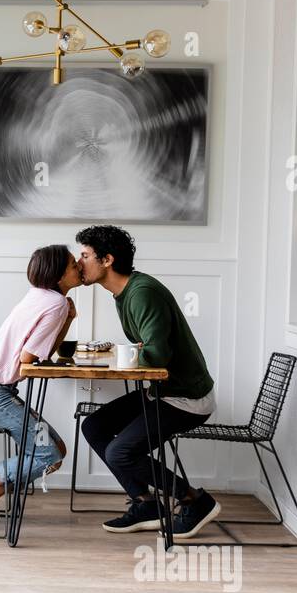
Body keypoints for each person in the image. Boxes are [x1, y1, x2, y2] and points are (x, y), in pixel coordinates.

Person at [74, 224, 222, 539]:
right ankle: (146, 503)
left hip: (185, 398)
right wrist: (130, 352)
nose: (78, 262)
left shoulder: (142, 293)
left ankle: (194, 500)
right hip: (162, 392)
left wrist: (124, 354)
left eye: (85, 255)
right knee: (94, 427)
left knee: (119, 452)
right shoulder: (124, 294)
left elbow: (156, 356)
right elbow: (147, 349)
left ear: (107, 260)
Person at [0, 245, 81, 531]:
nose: (79, 268)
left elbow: (40, 350)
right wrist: (66, 316)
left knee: (53, 450)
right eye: (74, 264)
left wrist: (69, 319)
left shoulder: (43, 297)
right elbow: (29, 359)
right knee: (49, 454)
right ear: (59, 273)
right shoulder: (55, 303)